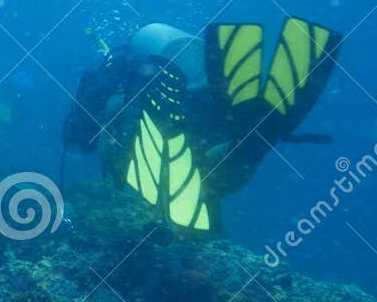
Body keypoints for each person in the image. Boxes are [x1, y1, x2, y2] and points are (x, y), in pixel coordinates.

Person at [62, 18, 340, 231]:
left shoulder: (116, 69)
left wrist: (117, 166)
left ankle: (253, 140)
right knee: (215, 158)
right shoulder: (142, 63)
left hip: (180, 100)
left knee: (206, 174)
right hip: (207, 87)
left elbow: (91, 134)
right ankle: (255, 136)